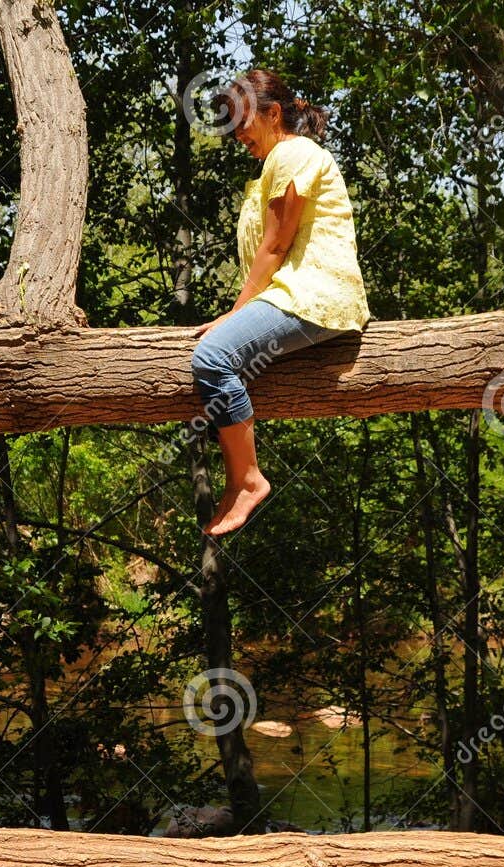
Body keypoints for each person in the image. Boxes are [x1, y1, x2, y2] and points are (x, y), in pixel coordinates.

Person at [191, 69, 370, 536]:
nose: (236, 135)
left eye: (241, 121)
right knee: (226, 364)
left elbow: (275, 247)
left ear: (272, 114)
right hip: (298, 296)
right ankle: (236, 474)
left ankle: (248, 481)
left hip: (315, 295)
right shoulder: (280, 160)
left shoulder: (292, 153)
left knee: (213, 356)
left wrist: (234, 315)